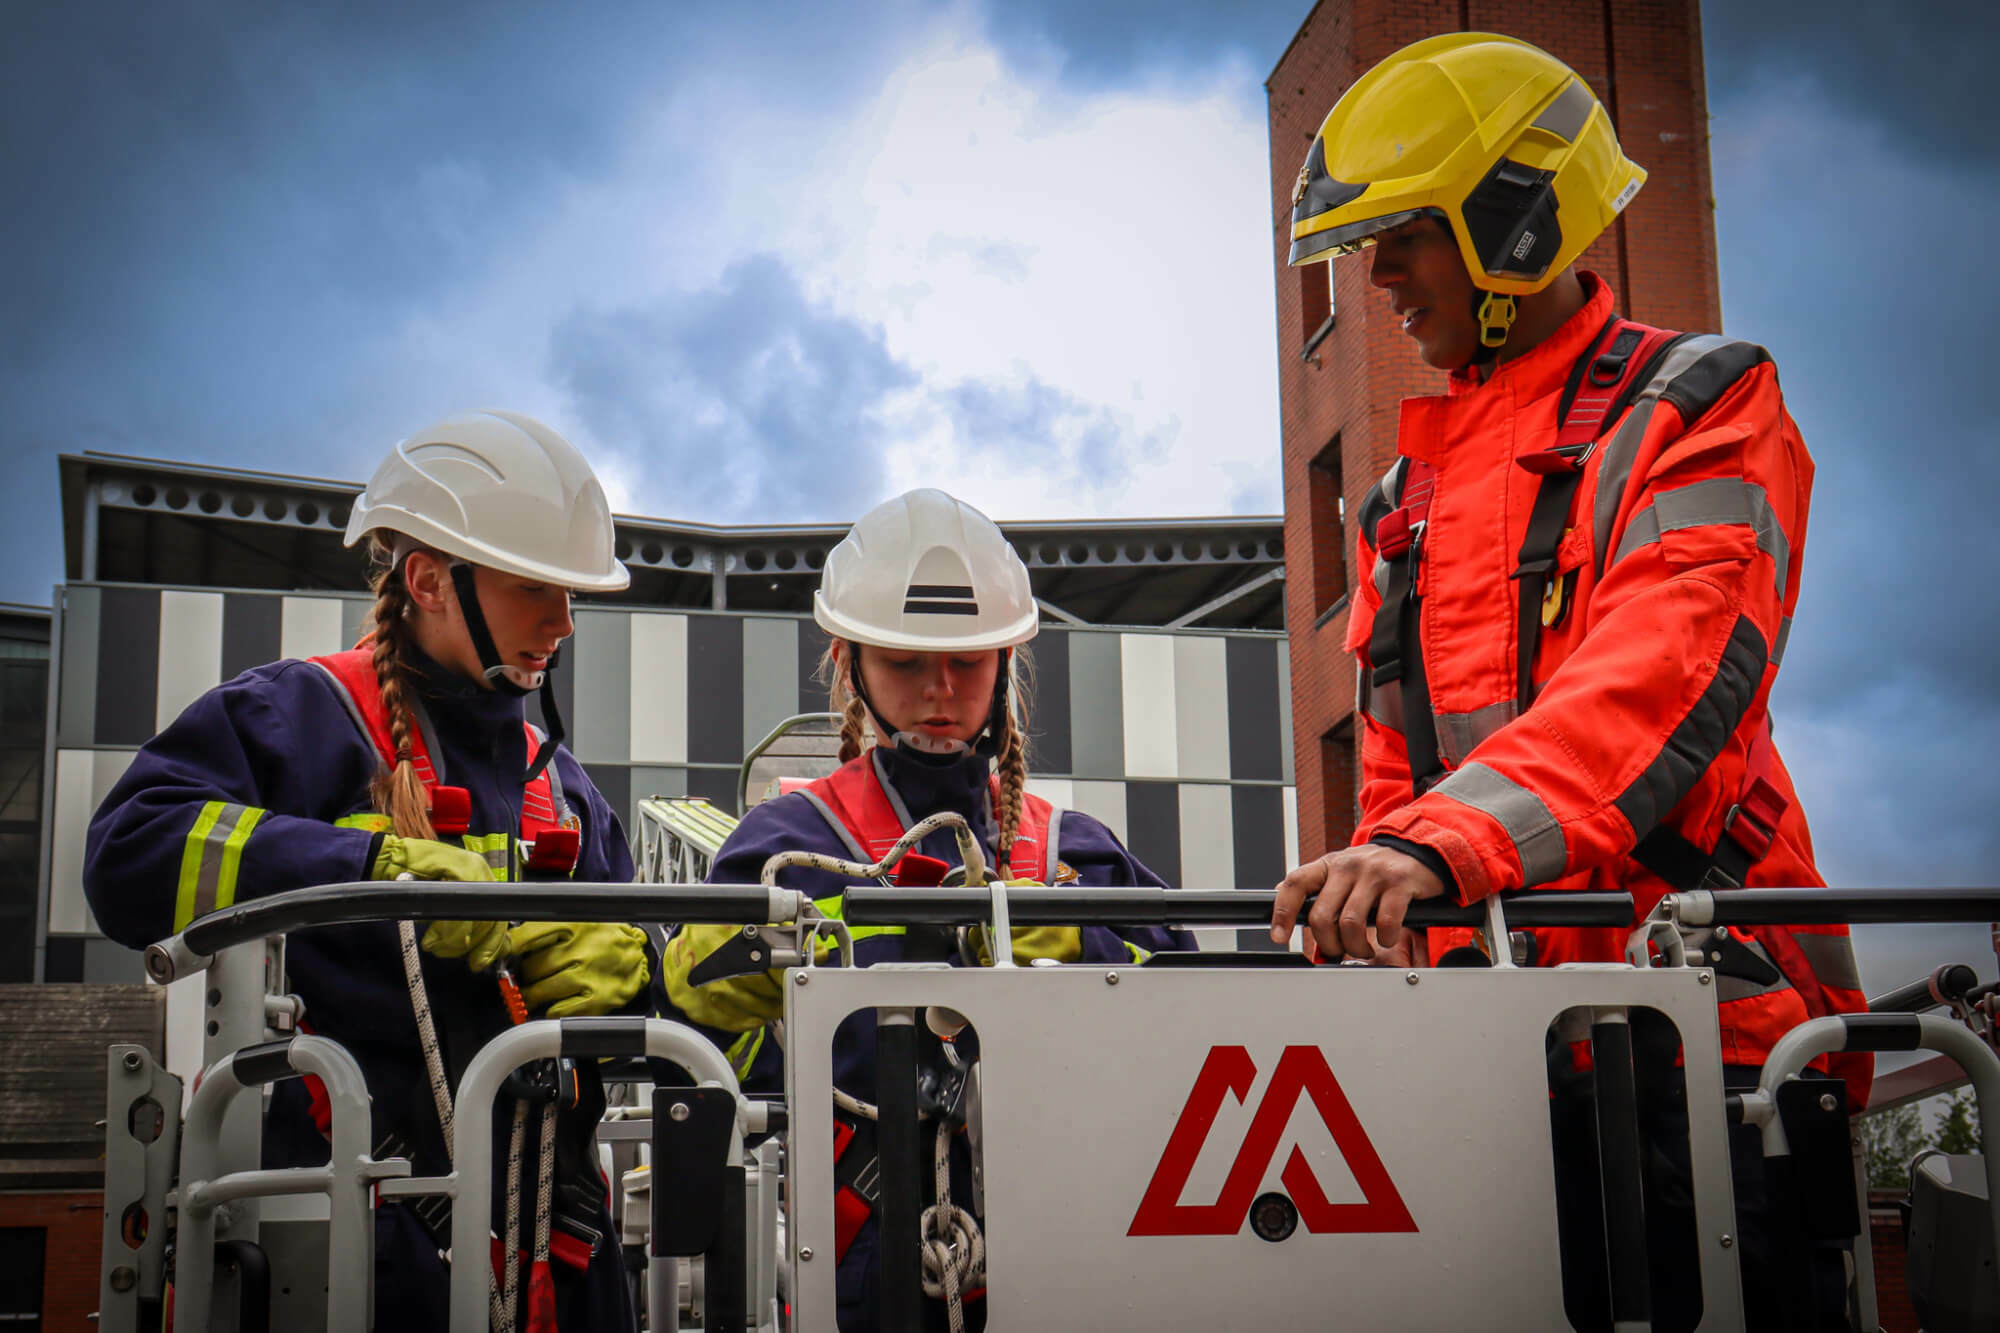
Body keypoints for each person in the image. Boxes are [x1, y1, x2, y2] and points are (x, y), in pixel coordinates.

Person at [1266, 33, 1869, 1331]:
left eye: (1403, 237)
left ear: (1510, 223)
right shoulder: (1398, 501)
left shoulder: (1704, 401)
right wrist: (1383, 937)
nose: (1375, 280)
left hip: (1713, 1046)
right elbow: (1393, 782)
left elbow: (1666, 677)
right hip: (1495, 1060)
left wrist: (1442, 844)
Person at [84, 410, 649, 1333]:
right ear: (428, 578)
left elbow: (654, 1012)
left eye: (573, 591)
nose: (564, 621)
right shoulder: (296, 719)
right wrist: (370, 868)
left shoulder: (566, 788)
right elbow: (124, 856)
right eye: (533, 588)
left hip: (562, 1259)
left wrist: (634, 979)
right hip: (350, 1247)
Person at [656, 488, 1192, 1331]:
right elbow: (699, 1034)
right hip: (868, 1246)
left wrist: (1087, 946)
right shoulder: (787, 843)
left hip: (1069, 1234)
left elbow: (1192, 1012)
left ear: (1004, 664)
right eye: (907, 663)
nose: (940, 689)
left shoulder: (1074, 854)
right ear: (851, 662)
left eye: (968, 662)